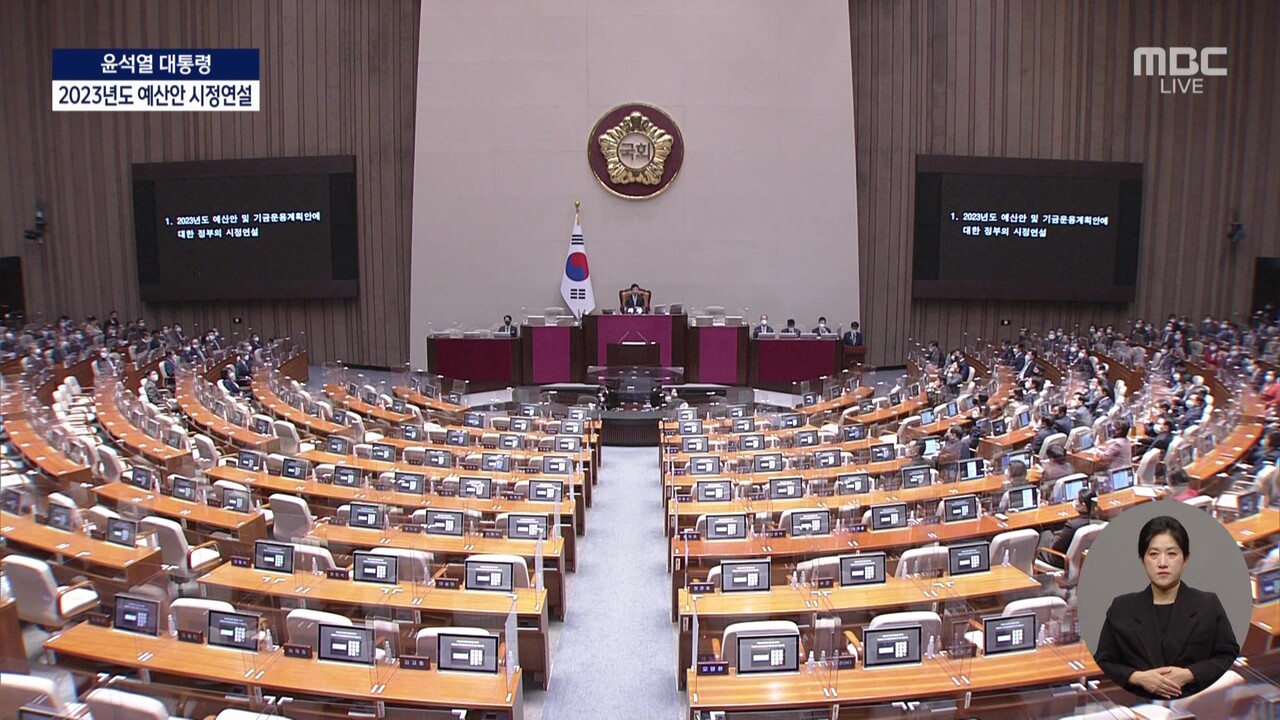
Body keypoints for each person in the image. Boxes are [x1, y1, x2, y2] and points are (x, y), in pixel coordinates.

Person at [1093, 516, 1239, 699]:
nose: (1162, 563)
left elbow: (1228, 656)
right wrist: (1137, 677)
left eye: (1172, 554)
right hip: (1136, 703)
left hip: (1192, 701)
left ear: (1185, 559)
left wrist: (1189, 674)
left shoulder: (1208, 604)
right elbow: (1103, 662)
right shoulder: (1121, 608)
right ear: (1142, 560)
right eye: (1154, 554)